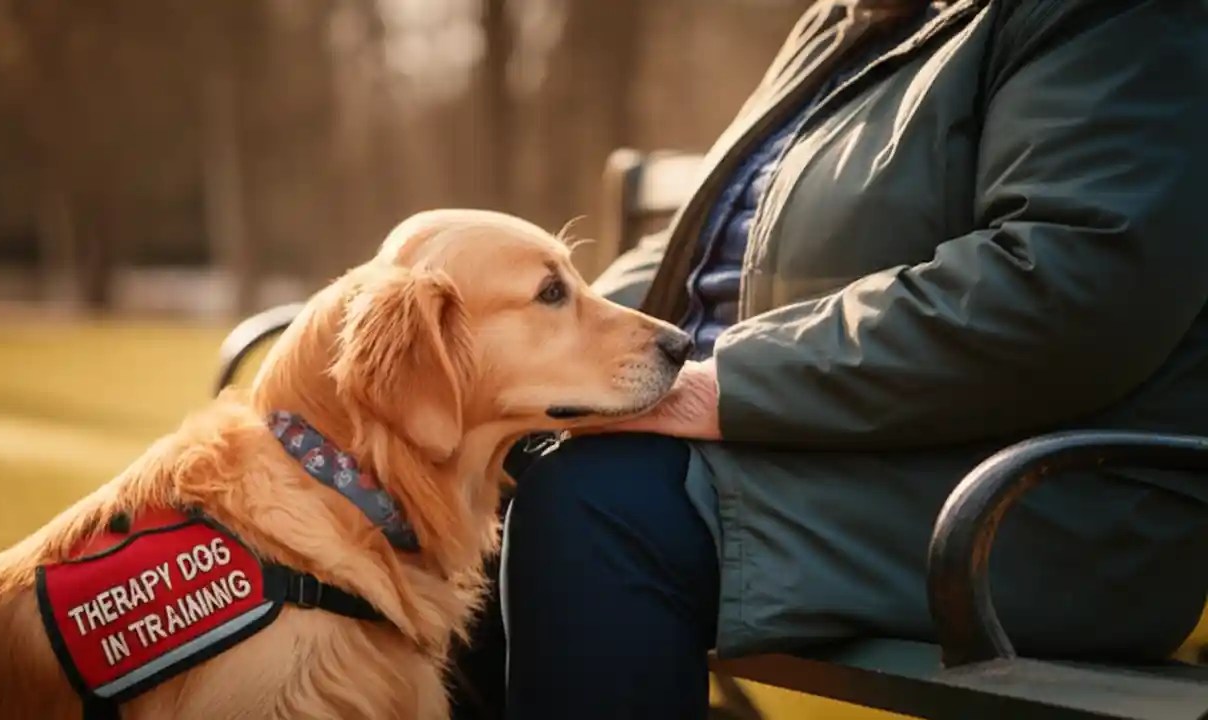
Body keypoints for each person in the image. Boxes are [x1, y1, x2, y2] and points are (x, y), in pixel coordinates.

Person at [452, 0, 1208, 717]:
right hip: (816, 440)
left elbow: (1068, 290)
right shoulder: (853, 18)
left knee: (596, 504)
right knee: (471, 474)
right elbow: (719, 231)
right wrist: (492, 355)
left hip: (1038, 495)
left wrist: (728, 387)